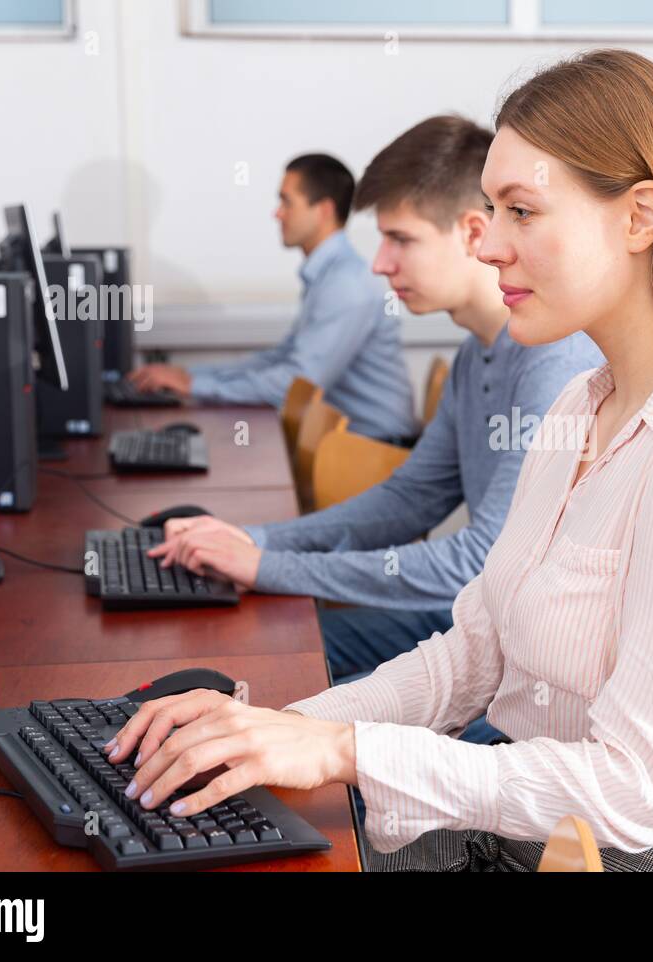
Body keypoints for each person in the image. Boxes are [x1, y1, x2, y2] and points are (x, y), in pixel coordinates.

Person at [106, 49, 653, 872]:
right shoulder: (584, 405)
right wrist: (292, 727)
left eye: (521, 212)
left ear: (641, 216)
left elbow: (638, 789)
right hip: (557, 815)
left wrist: (342, 753)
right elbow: (475, 652)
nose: (490, 243)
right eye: (490, 210)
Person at [146, 116, 603, 744]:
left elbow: (479, 562)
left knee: (290, 696)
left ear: (471, 233)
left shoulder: (556, 362)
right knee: (267, 668)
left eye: (399, 239)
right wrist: (253, 542)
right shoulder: (480, 352)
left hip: (524, 667)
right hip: (479, 629)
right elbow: (409, 499)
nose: (380, 264)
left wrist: (268, 565)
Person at [128, 153, 418, 443]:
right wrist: (190, 376)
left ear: (323, 211)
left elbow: (296, 385)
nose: (277, 213)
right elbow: (280, 359)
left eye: (286, 202)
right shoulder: (328, 276)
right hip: (349, 446)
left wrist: (194, 385)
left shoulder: (346, 285)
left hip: (374, 452)